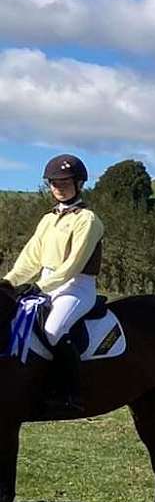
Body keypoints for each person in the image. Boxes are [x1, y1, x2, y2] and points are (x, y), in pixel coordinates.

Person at [5, 154, 104, 419]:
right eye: (54, 182)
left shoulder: (88, 219)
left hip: (76, 287)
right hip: (47, 284)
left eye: (65, 182)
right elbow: (30, 257)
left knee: (52, 329)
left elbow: (74, 263)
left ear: (79, 183)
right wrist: (9, 281)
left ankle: (69, 394)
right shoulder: (48, 219)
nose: (58, 187)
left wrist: (40, 286)